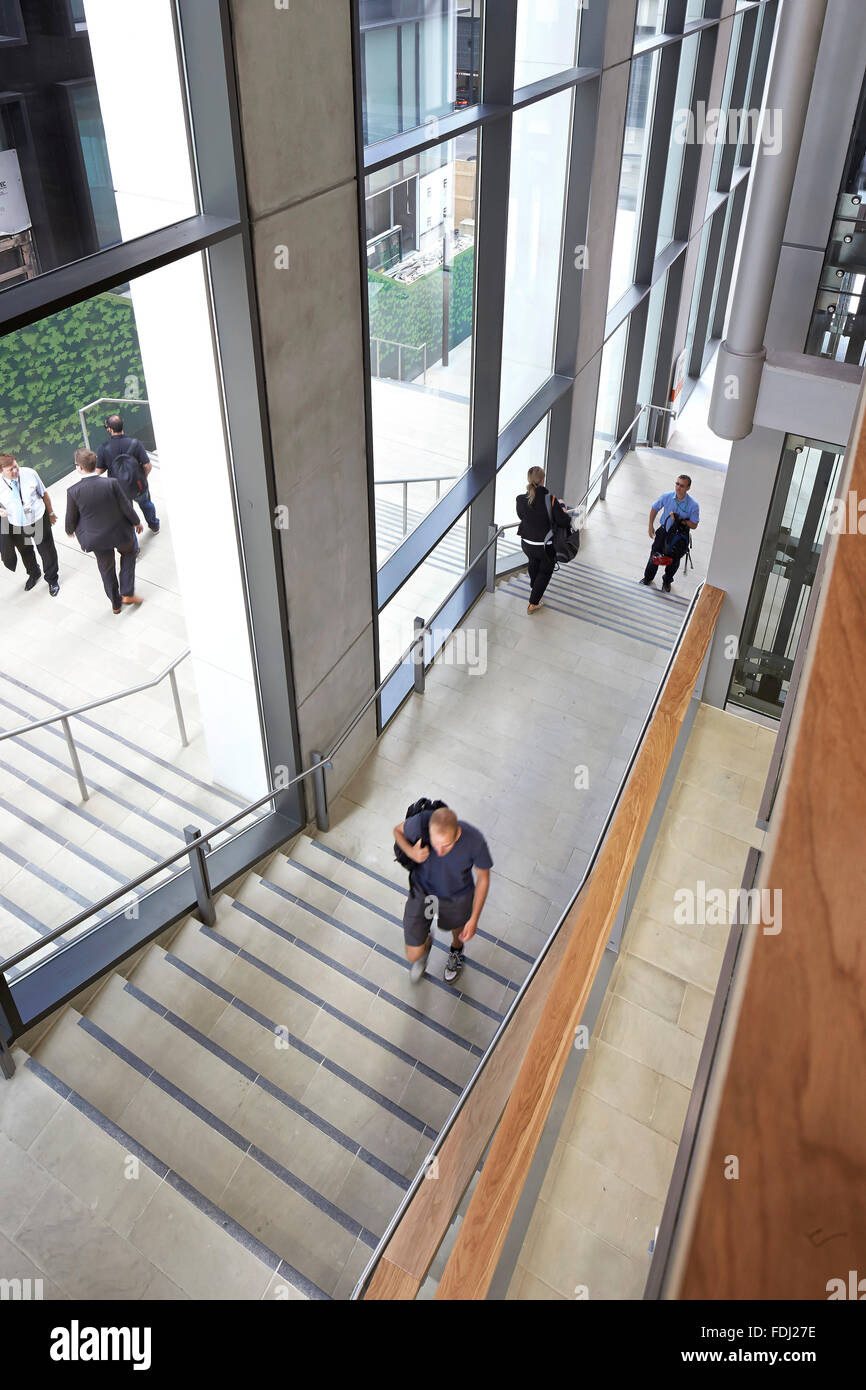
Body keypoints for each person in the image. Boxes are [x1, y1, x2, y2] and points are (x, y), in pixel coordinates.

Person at [393, 806, 492, 985]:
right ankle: (425, 943)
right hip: (423, 891)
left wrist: (474, 919)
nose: (439, 851)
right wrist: (411, 852)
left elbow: (483, 878)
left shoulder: (473, 840)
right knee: (412, 954)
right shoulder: (423, 822)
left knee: (458, 931)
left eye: (446, 845)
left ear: (458, 833)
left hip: (456, 896)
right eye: (435, 843)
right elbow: (397, 830)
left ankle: (456, 950)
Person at [65, 449, 143, 613]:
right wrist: (136, 522)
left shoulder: (73, 491)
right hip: (120, 531)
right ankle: (127, 592)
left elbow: (71, 516)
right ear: (95, 465)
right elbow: (125, 506)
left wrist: (69, 530)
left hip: (96, 539)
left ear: (79, 467)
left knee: (106, 569)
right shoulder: (111, 483)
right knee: (129, 554)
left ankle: (115, 604)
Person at [0, 454, 61, 597]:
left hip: (37, 519)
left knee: (46, 550)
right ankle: (34, 573)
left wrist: (51, 513)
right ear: (1, 471)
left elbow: (44, 493)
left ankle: (52, 579)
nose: (15, 470)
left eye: (16, 466)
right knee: (25, 551)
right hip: (16, 523)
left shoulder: (29, 473)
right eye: (10, 469)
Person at [516, 465, 572, 613]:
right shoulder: (551, 500)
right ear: (542, 480)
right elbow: (564, 522)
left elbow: (522, 516)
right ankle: (533, 602)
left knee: (533, 563)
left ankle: (535, 589)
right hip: (545, 545)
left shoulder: (521, 499)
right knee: (545, 571)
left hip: (527, 543)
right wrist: (563, 510)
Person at [96, 414, 160, 533]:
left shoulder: (103, 448)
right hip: (139, 485)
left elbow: (98, 471)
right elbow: (148, 465)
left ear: (109, 429)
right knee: (146, 504)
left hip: (119, 490)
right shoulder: (135, 443)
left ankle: (134, 546)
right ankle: (154, 525)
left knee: (126, 515)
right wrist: (143, 478)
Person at [640, 473, 700, 593]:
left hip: (679, 537)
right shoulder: (666, 496)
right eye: (677, 484)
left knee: (674, 561)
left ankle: (667, 581)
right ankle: (647, 578)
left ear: (688, 488)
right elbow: (654, 508)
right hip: (663, 532)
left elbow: (694, 525)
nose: (678, 487)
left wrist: (680, 520)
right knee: (654, 556)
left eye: (682, 486)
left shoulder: (693, 505)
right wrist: (650, 525)